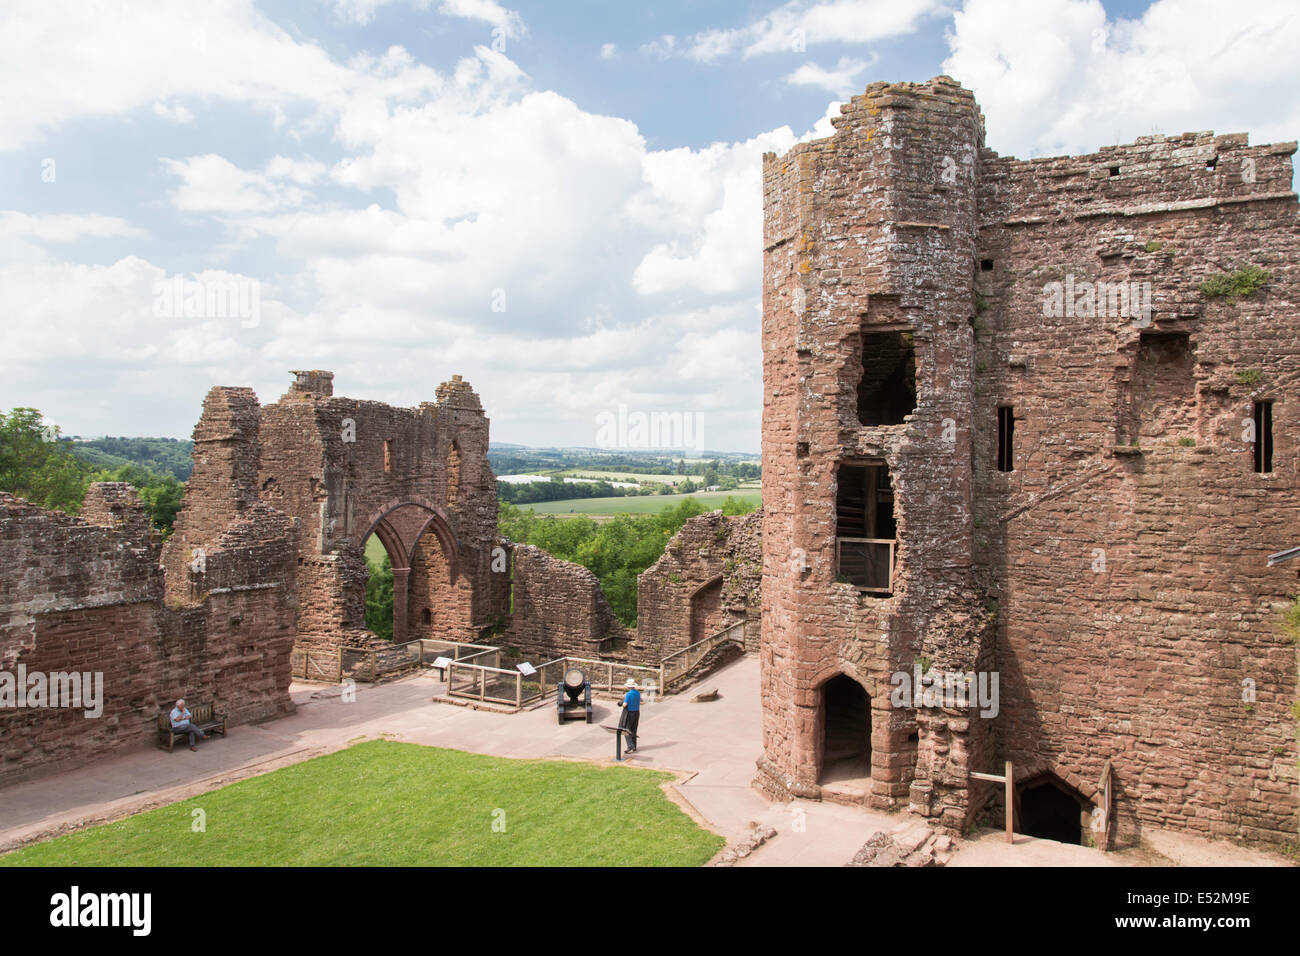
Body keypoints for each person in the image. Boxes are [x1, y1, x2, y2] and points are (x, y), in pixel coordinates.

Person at [619, 679, 641, 753]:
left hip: (629, 713)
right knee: (634, 729)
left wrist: (621, 703)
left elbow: (625, 705)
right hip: (636, 712)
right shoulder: (638, 693)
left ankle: (630, 745)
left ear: (628, 686)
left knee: (626, 729)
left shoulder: (628, 694)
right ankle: (634, 745)